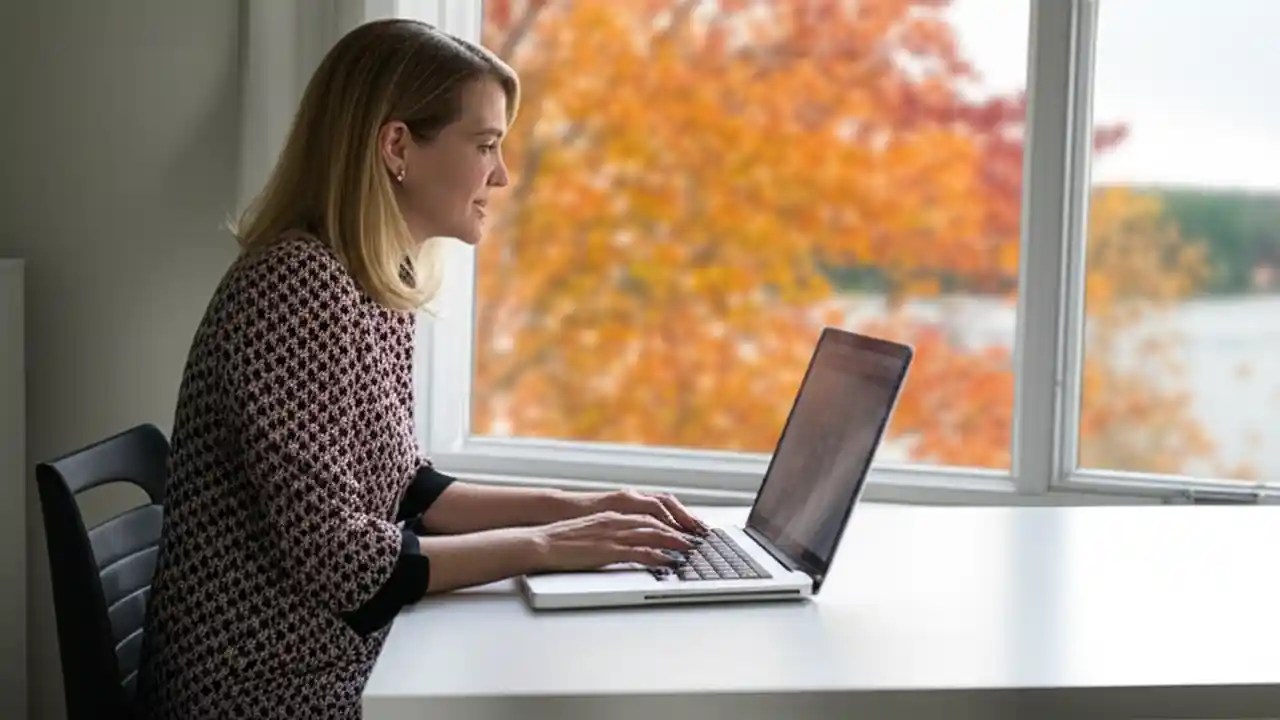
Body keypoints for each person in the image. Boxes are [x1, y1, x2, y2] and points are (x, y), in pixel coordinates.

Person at [135, 19, 707, 720]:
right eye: (485, 146)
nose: (500, 174)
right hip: (267, 693)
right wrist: (546, 547)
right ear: (397, 145)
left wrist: (584, 508)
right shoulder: (293, 286)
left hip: (334, 662)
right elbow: (348, 565)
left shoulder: (373, 280)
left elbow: (411, 491)